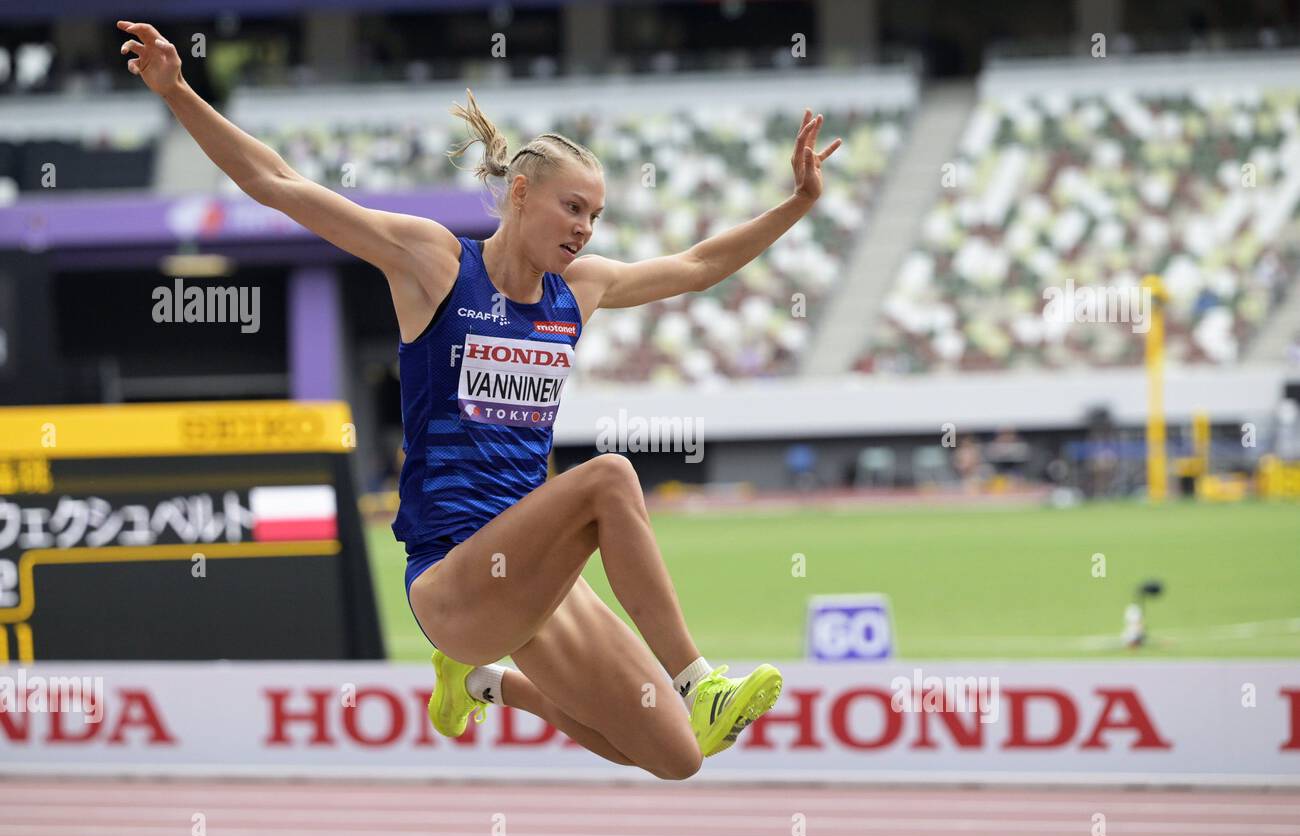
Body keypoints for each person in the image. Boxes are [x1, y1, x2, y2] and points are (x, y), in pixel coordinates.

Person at [119, 19, 841, 779]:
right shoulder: (433, 264)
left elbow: (696, 265)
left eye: (595, 216)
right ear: (521, 195)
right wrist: (179, 92)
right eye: (573, 209)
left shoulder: (579, 292)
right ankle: (700, 682)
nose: (586, 230)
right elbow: (277, 184)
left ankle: (481, 683)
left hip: (531, 575)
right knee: (609, 477)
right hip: (453, 578)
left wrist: (797, 203)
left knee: (674, 757)